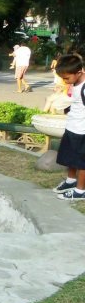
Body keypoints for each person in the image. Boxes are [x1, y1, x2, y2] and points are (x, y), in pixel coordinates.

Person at [52, 53, 85, 201]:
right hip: (72, 127)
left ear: (79, 72)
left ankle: (80, 190)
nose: (65, 82)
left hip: (82, 131)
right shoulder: (75, 83)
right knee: (71, 158)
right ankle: (71, 181)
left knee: (82, 162)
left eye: (67, 78)